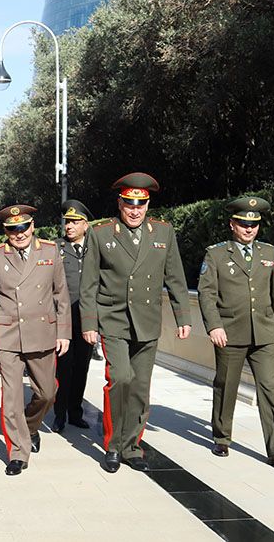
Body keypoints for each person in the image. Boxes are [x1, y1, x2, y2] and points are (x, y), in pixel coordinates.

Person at [80, 173, 191, 473]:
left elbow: (175, 277)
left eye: (140, 204)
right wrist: (89, 323)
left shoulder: (163, 232)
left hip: (147, 320)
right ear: (120, 203)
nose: (135, 210)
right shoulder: (101, 234)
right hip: (113, 319)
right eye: (129, 204)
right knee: (120, 378)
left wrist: (183, 316)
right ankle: (113, 445)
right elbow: (88, 284)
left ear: (147, 205)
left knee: (140, 387)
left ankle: (132, 446)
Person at [197, 196, 274, 468]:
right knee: (226, 385)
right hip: (230, 332)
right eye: (243, 224)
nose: (249, 229)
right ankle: (222, 437)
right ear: (232, 224)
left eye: (254, 225)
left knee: (269, 389)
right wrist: (214, 325)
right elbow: (206, 293)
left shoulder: (268, 252)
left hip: (264, 332)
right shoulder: (216, 254)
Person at [0, 204, 71, 476]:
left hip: (42, 333)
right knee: (12, 399)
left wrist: (63, 332)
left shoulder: (50, 252)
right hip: (8, 335)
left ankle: (29, 427)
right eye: (12, 229)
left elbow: (61, 295)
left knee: (47, 393)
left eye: (23, 228)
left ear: (32, 226)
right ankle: (18, 453)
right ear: (5, 231)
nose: (19, 234)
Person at [53, 200, 95, 433]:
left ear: (85, 225)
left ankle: (75, 412)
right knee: (63, 368)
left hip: (87, 319)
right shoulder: (56, 248)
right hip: (63, 319)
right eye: (67, 222)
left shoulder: (95, 248)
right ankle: (59, 414)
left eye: (75, 222)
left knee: (82, 368)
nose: (69, 226)